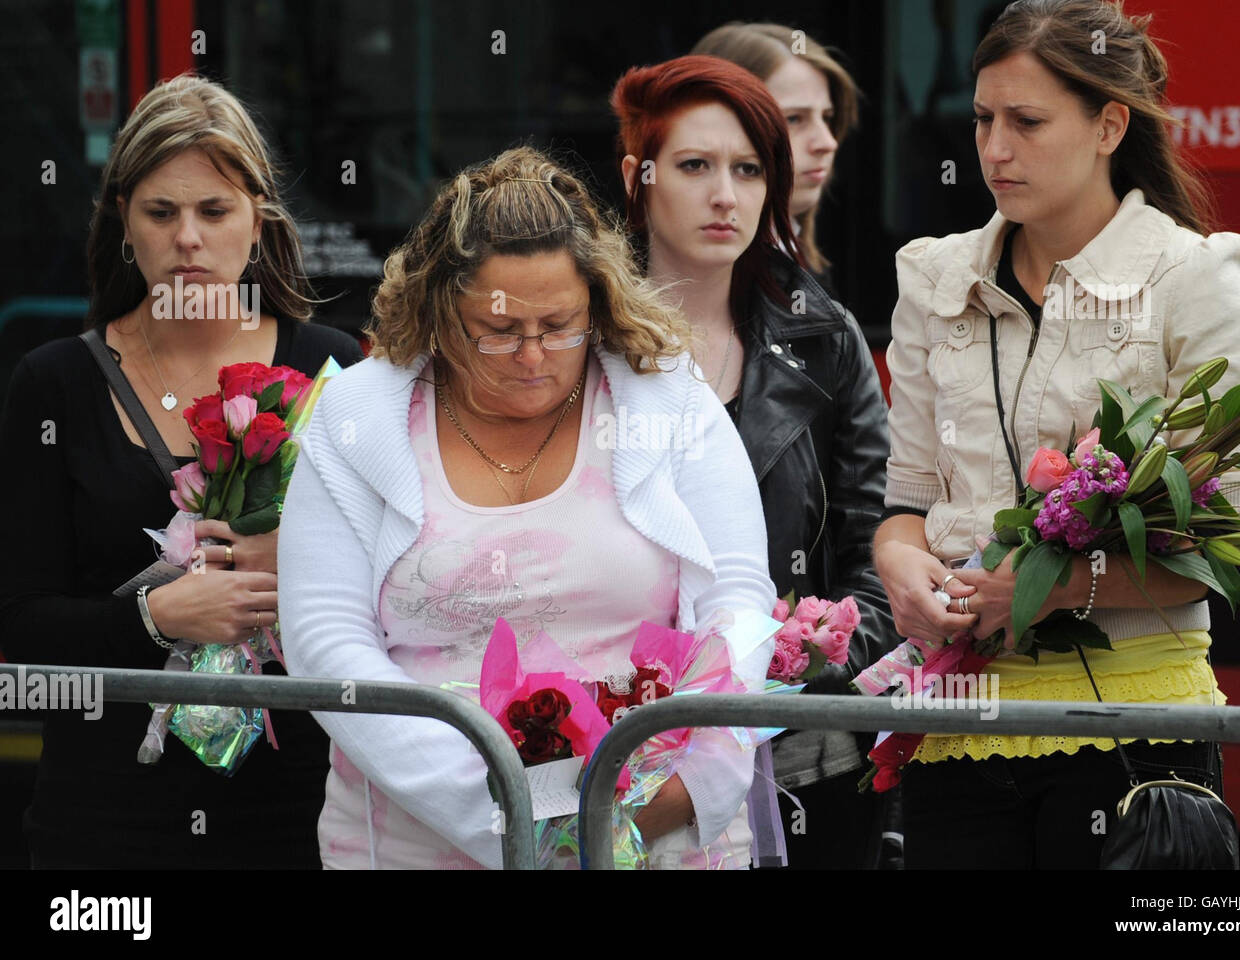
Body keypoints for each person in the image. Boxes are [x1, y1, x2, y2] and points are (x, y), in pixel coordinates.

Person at [276, 145, 776, 870]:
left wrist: (691, 785)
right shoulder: (359, 416)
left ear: (599, 303)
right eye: (500, 331)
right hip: (420, 843)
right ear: (440, 310)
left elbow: (739, 599)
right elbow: (326, 643)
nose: (535, 356)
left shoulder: (667, 398)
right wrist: (512, 813)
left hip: (653, 827)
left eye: (560, 326)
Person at [874, 0, 1240, 869]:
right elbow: (907, 496)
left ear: (1109, 126)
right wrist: (898, 562)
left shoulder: (1195, 276)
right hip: (954, 719)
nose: (994, 149)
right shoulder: (931, 276)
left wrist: (1059, 588)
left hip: (1139, 729)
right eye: (982, 119)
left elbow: (1231, 532)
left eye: (1026, 121)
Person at [0, 75, 364, 869]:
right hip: (103, 825)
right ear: (125, 224)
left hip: (302, 814)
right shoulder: (52, 384)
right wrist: (156, 617)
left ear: (259, 221)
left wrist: (295, 569)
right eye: (161, 212)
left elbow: (397, 595)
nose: (188, 238)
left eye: (215, 211)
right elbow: (17, 629)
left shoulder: (336, 368)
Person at [611, 55, 899, 869]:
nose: (725, 196)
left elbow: (872, 544)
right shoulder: (577, 339)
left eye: (748, 170)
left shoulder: (824, 336)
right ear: (641, 177)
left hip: (808, 756)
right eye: (695, 166)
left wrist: (807, 655)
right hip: (622, 745)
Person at [691, 22, 861, 289]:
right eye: (793, 118)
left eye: (827, 118)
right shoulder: (688, 280)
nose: (827, 142)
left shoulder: (804, 265)